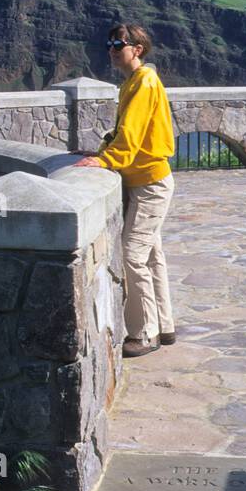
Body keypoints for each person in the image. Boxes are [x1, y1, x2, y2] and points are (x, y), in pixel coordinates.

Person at [72, 24, 176, 358]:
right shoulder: (133, 83)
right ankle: (165, 326)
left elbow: (130, 133)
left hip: (150, 183)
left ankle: (144, 334)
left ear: (138, 49)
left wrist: (106, 161)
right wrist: (101, 152)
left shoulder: (144, 82)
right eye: (110, 43)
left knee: (133, 254)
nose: (112, 49)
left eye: (119, 44)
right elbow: (121, 130)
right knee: (151, 255)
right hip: (144, 180)